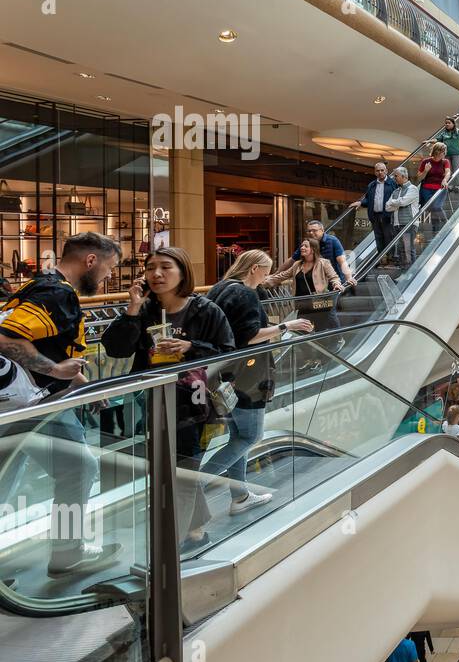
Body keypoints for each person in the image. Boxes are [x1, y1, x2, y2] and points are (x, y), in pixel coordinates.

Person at [0, 232, 122, 577]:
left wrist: (83, 385)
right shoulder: (58, 294)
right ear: (90, 261)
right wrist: (55, 370)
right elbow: (6, 338)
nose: (108, 277)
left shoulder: (38, 286)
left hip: (22, 402)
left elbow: (50, 347)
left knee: (5, 479)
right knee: (78, 469)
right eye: (109, 268)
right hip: (39, 404)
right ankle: (68, 554)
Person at [101, 247, 236, 557]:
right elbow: (116, 350)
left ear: (183, 271)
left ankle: (169, 549)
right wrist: (132, 310)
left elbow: (230, 355)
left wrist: (191, 345)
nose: (156, 274)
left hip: (195, 406)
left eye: (165, 267)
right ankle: (197, 533)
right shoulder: (145, 311)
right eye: (150, 268)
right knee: (171, 471)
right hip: (151, 402)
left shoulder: (205, 311)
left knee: (183, 472)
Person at [206, 250, 314, 516]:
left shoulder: (219, 288)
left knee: (238, 435)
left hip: (224, 375)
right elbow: (250, 336)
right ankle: (192, 482)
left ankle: (240, 496)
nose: (267, 277)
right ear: (254, 268)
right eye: (266, 271)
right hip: (249, 377)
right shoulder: (245, 294)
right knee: (252, 435)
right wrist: (288, 327)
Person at [267, 238, 343, 332]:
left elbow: (334, 277)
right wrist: (262, 282)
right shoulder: (297, 264)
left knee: (321, 330)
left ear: (313, 249)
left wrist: (336, 284)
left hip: (318, 303)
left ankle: (338, 340)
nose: (302, 248)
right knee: (302, 330)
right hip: (302, 303)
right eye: (302, 246)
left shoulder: (323, 263)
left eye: (306, 246)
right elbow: (282, 276)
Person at [351, 161, 397, 258]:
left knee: (389, 238)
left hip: (388, 216)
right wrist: (360, 202)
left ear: (386, 171)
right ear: (374, 172)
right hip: (375, 216)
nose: (380, 172)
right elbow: (368, 199)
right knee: (378, 238)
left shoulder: (393, 184)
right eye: (377, 171)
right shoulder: (371, 185)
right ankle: (382, 259)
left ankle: (391, 259)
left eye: (382, 170)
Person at [383, 165, 420, 265]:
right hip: (397, 224)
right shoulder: (396, 191)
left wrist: (395, 202)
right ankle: (404, 272)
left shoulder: (413, 189)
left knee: (408, 249)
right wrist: (398, 203)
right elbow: (387, 207)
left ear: (404, 177)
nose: (394, 178)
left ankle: (411, 273)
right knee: (401, 249)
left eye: (396, 176)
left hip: (409, 224)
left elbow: (403, 202)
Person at [306, 219, 356, 289]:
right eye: (309, 231)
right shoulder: (306, 244)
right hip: (315, 284)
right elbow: (293, 260)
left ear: (322, 230)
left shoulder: (333, 241)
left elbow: (342, 261)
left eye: (314, 230)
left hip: (336, 282)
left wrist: (349, 278)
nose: (311, 233)